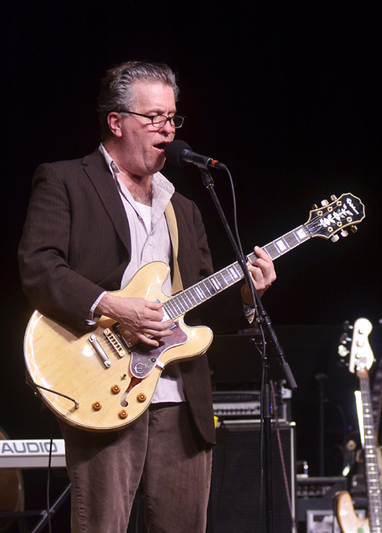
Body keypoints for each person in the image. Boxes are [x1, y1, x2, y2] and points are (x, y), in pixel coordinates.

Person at [17, 61, 276, 532]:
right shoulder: (66, 181)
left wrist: (244, 293)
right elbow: (39, 267)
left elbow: (195, 303)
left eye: (173, 118)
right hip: (101, 382)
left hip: (181, 397)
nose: (168, 129)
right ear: (116, 122)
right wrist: (113, 305)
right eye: (153, 117)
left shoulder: (185, 207)